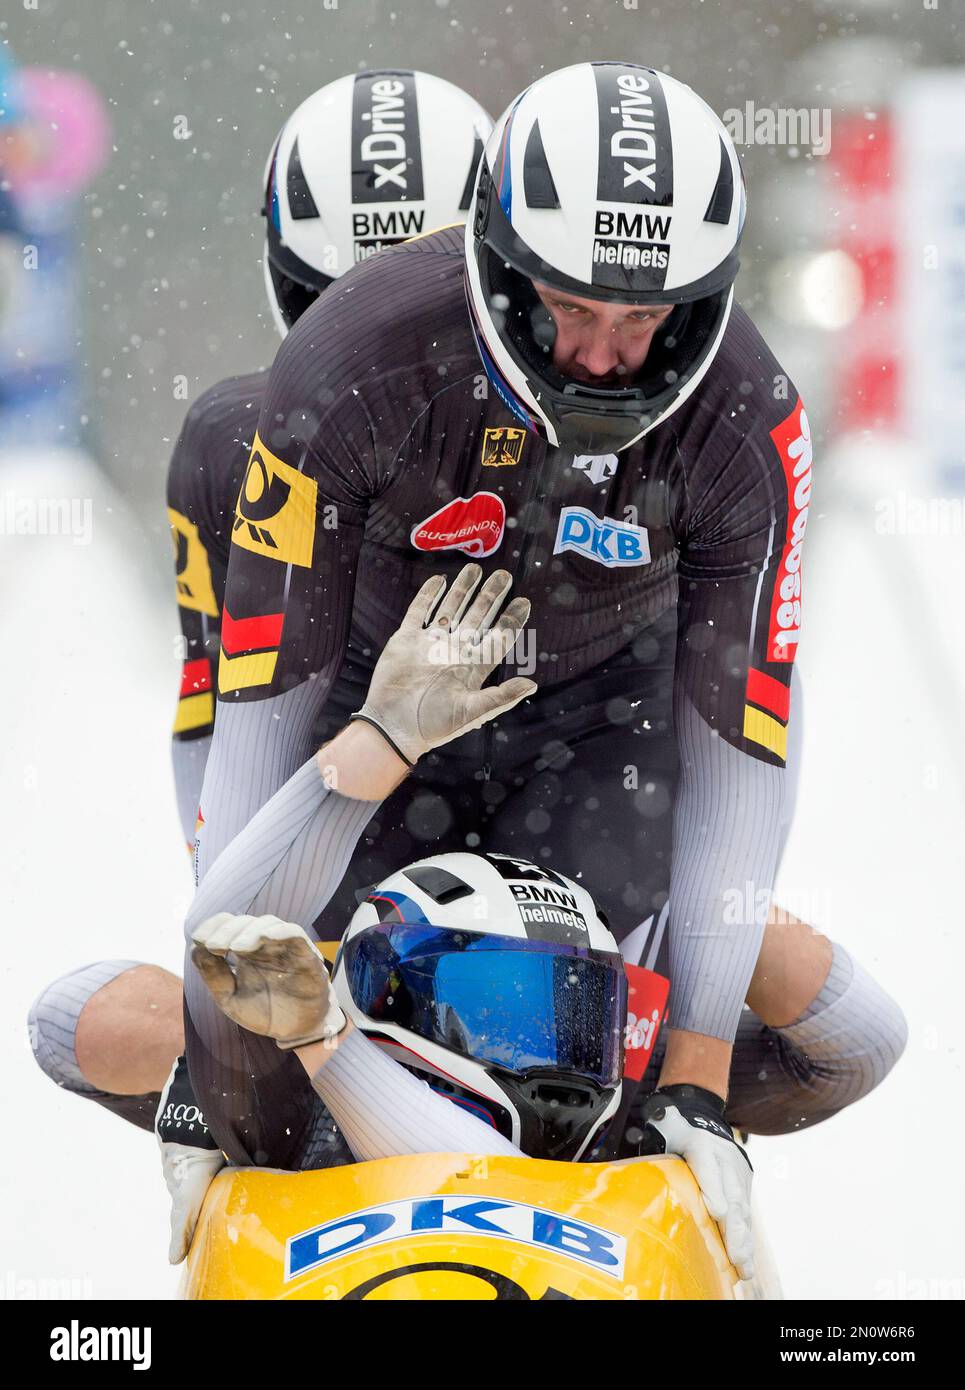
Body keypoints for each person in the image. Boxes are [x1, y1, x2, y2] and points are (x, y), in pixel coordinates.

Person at [180, 59, 847, 1185]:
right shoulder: (341, 368)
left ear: (696, 305)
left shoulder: (746, 419)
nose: (594, 356)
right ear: (498, 267)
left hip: (596, 750)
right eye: (568, 305)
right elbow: (237, 773)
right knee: (198, 1027)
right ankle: (311, 1058)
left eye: (637, 317)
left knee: (854, 1037)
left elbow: (740, 745)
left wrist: (692, 1078)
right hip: (368, 739)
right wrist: (223, 1065)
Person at [31, 564, 907, 1278]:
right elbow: (66, 1019)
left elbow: (860, 1043)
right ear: (389, 997)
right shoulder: (287, 1080)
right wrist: (210, 1055)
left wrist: (711, 891)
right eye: (491, 1004)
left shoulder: (639, 1096)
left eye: (568, 1011)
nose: (544, 1059)